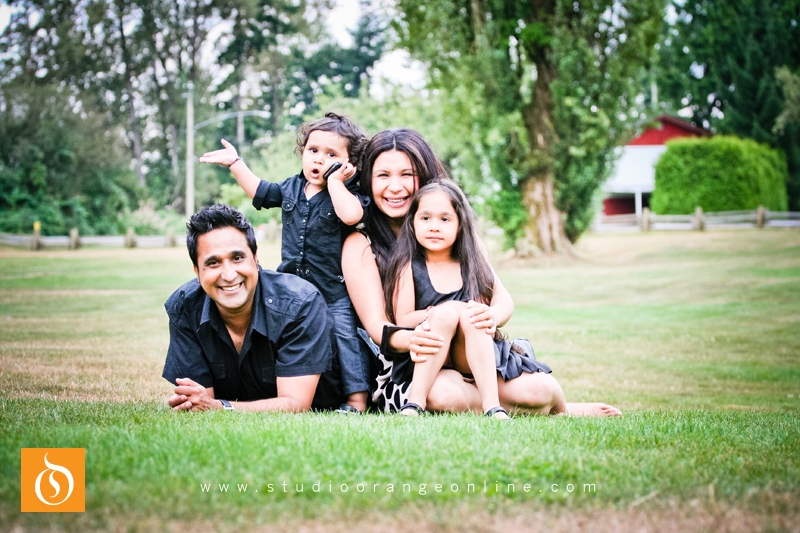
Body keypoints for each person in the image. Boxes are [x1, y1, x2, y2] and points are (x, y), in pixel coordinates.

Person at [341, 128, 621, 417]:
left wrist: (490, 317)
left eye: (406, 175)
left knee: (540, 389)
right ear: (368, 180)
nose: (395, 187)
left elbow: (499, 298)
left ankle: (543, 404)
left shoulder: (462, 240)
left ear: (424, 177)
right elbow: (378, 326)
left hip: (472, 354)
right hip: (416, 362)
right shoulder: (361, 243)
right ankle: (511, 406)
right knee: (443, 394)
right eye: (383, 175)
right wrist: (413, 338)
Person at [199, 112, 370, 414]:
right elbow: (259, 191)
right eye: (313, 150)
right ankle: (282, 389)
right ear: (302, 152)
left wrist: (337, 182)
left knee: (344, 336)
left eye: (331, 154)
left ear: (347, 163)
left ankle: (356, 401)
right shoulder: (292, 187)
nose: (319, 159)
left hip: (333, 291)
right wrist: (236, 164)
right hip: (292, 291)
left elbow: (352, 216)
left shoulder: (346, 194)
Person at [163, 204, 343, 413]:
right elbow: (199, 402)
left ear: (255, 258)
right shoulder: (185, 306)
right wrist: (203, 404)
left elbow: (295, 403)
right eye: (213, 263)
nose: (229, 275)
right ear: (197, 271)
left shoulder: (300, 303)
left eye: (237, 258)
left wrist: (222, 408)